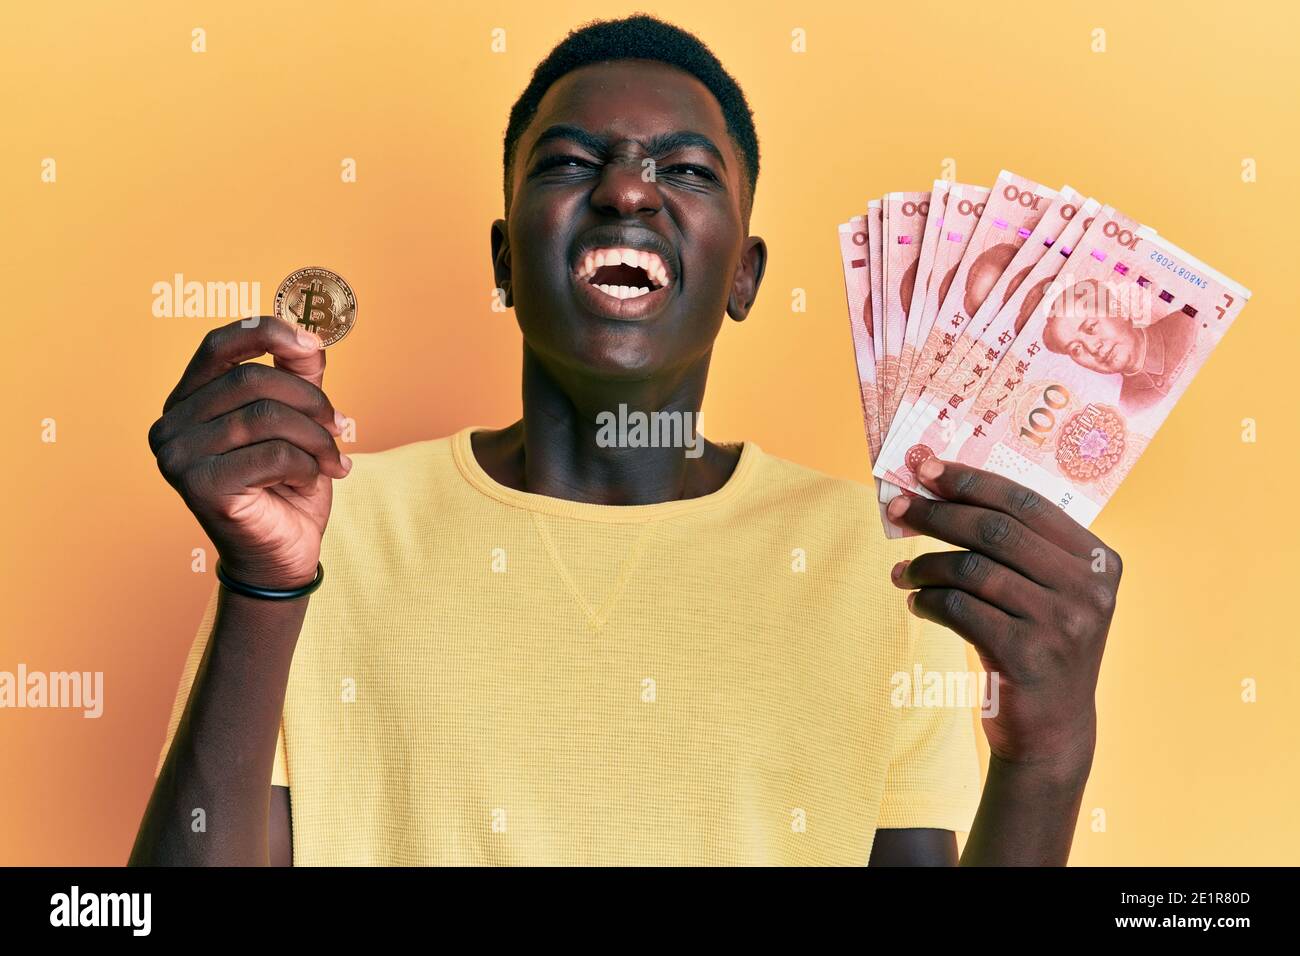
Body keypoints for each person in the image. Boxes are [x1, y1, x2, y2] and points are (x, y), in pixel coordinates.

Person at [130, 14, 1122, 866]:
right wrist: (263, 585)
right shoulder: (322, 527)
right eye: (568, 161)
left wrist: (1048, 756)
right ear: (505, 258)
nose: (628, 192)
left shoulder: (884, 563)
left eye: (684, 170)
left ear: (743, 273)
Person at [1042, 277, 1197, 413]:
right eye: (1076, 349)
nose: (1091, 347)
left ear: (1119, 310)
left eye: (1091, 327)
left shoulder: (1187, 326)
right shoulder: (1127, 405)